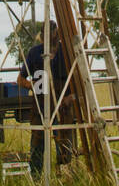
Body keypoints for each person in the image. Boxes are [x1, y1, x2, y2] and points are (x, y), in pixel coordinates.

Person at [19, 25, 76, 176]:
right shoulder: (35, 53)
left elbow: (78, 79)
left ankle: (64, 175)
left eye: (53, 34)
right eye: (48, 35)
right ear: (42, 36)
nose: (51, 37)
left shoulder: (66, 51)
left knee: (64, 142)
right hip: (41, 105)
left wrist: (71, 97)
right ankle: (36, 177)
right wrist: (33, 85)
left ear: (57, 35)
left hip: (63, 106)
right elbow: (21, 79)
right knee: (37, 144)